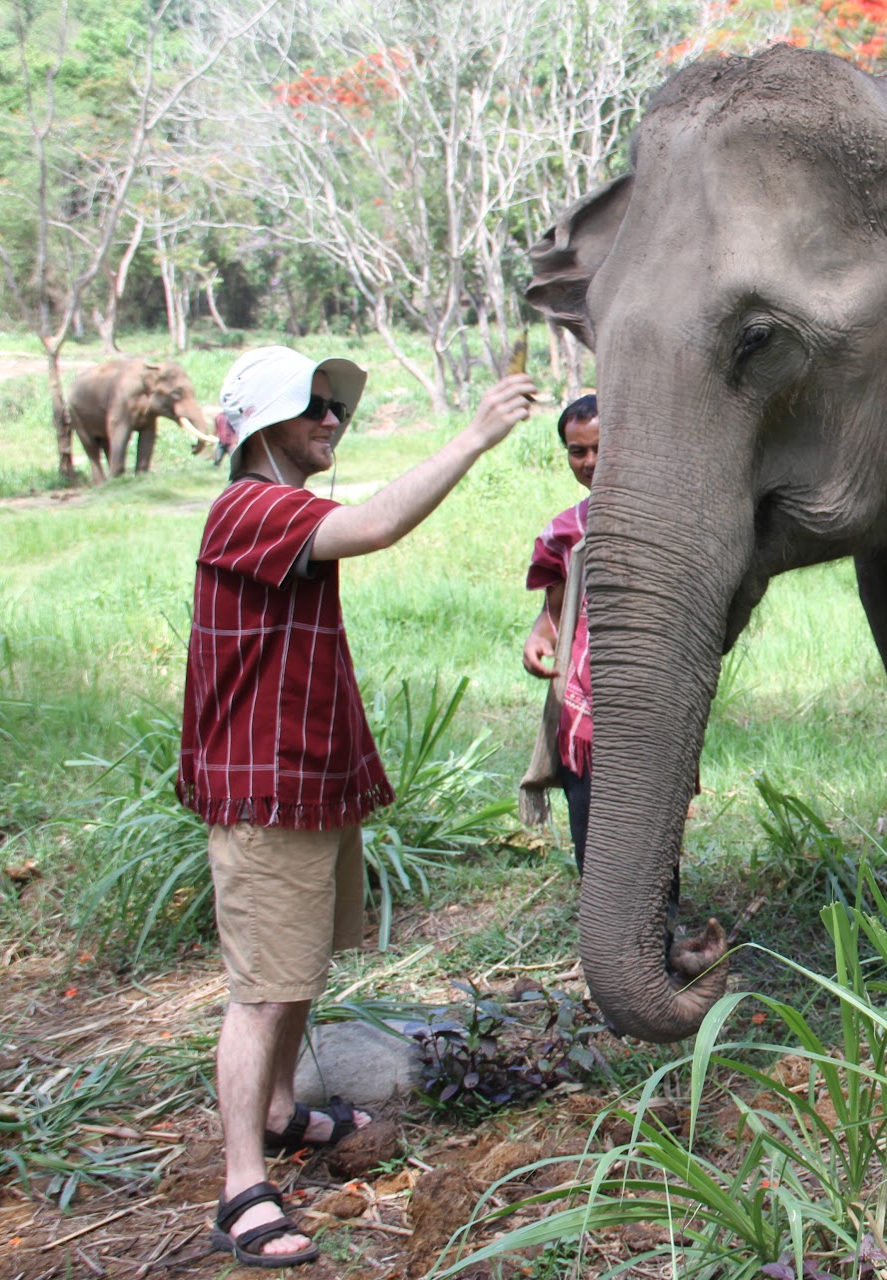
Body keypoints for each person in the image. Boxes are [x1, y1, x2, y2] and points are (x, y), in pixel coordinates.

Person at [177, 345, 537, 1268]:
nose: (333, 422)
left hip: (308, 781)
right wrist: (475, 438)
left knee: (296, 967)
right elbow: (374, 525)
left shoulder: (278, 506)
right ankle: (240, 1189)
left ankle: (280, 1112)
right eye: (316, 408)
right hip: (266, 791)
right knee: (260, 994)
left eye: (337, 408)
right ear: (266, 424)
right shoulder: (249, 509)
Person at [523, 394, 597, 869]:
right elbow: (552, 612)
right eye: (578, 451)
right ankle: (606, 934)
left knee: (653, 838)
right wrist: (539, 639)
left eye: (600, 447)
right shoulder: (566, 531)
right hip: (581, 719)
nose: (590, 461)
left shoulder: (665, 527)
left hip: (646, 712)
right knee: (592, 838)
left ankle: (658, 931)